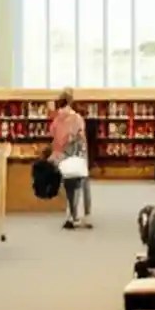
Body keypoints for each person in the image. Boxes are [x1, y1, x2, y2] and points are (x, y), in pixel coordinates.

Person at [49, 87, 91, 229]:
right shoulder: (77, 118)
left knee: (67, 187)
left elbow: (53, 136)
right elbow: (81, 138)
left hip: (60, 155)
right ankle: (77, 216)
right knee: (78, 186)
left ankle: (69, 215)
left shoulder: (56, 120)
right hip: (75, 155)